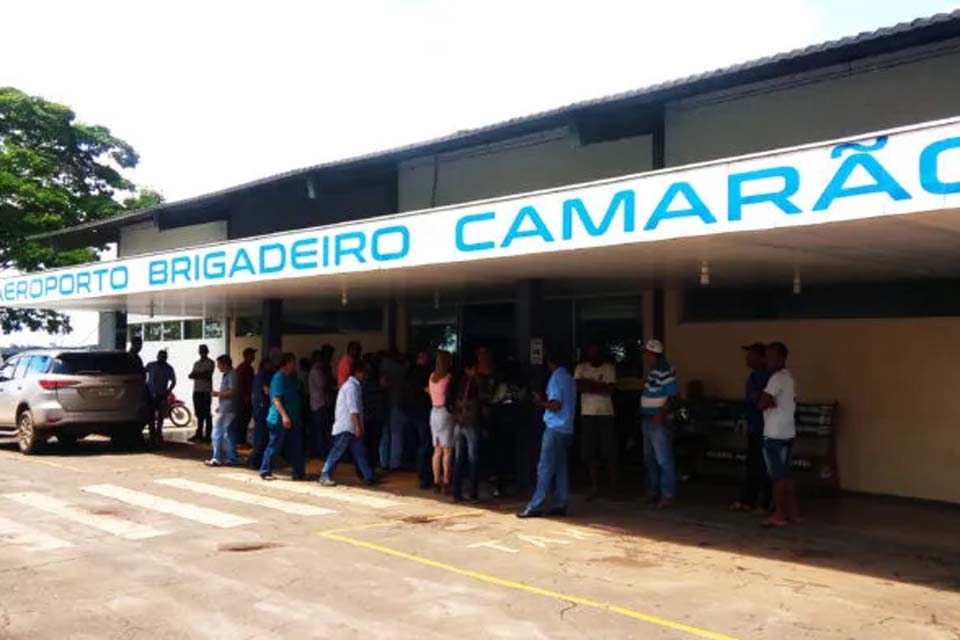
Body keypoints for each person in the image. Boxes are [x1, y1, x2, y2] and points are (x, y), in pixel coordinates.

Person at [517, 349, 576, 518]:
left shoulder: (556, 378)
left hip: (555, 427)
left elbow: (556, 404)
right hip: (567, 428)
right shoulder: (569, 378)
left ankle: (536, 504)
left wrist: (540, 402)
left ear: (551, 362)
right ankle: (560, 503)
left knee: (544, 467)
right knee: (560, 467)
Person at [758, 341, 799, 527]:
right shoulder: (789, 378)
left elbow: (762, 403)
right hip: (788, 432)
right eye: (766, 357)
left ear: (782, 358)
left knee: (778, 477)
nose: (767, 360)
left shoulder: (775, 378)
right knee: (786, 476)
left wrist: (768, 401)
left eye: (771, 357)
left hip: (774, 434)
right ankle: (793, 513)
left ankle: (779, 514)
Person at [319, 359, 378, 486]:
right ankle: (325, 474)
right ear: (357, 372)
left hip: (349, 426)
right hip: (347, 426)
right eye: (364, 372)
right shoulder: (351, 387)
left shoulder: (352, 385)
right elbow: (353, 408)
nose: (365, 375)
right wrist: (357, 426)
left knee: (359, 453)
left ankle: (369, 476)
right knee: (337, 452)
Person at [730, 343, 773, 513]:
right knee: (752, 464)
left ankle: (765, 502)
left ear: (762, 358)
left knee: (764, 466)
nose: (747, 359)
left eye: (752, 355)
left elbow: (762, 402)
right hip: (754, 426)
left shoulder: (768, 377)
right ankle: (748, 500)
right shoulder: (753, 376)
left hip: (766, 428)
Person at [575, 343, 618, 499]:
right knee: (590, 452)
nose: (594, 354)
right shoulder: (581, 368)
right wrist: (600, 386)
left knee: (609, 451)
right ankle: (594, 486)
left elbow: (611, 390)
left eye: (597, 351)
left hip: (606, 414)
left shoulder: (609, 368)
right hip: (587, 414)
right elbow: (579, 387)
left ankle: (613, 487)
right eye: (591, 351)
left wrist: (589, 385)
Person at [640, 339, 679, 508]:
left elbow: (673, 396)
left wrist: (661, 413)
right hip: (648, 419)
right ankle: (654, 491)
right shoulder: (653, 371)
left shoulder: (664, 370)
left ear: (651, 354)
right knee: (650, 459)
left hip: (657, 420)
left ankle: (667, 495)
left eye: (646, 353)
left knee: (663, 459)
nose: (644, 356)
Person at [259, 353, 305, 481]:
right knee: (275, 445)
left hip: (293, 419)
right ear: (287, 363)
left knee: (296, 446)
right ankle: (265, 470)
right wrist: (284, 416)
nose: (294, 365)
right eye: (293, 362)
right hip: (279, 419)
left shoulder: (290, 378)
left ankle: (298, 473)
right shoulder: (279, 378)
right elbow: (276, 399)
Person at [452, 360, 481, 503]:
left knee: (458, 458)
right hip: (469, 423)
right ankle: (472, 493)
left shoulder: (459, 383)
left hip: (458, 422)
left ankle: (456, 492)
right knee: (472, 458)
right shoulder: (473, 383)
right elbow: (475, 403)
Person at [403, 350, 433, 489]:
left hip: (411, 412)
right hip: (422, 413)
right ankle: (424, 476)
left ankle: (420, 472)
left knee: (418, 444)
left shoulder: (409, 373)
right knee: (425, 445)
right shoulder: (426, 374)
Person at [428, 350, 456, 494]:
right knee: (447, 450)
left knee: (437, 450)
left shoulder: (432, 376)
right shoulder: (449, 378)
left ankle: (436, 481)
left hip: (434, 412)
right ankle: (446, 481)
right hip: (445, 412)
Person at [379, 349, 409, 470]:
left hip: (384, 404)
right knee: (396, 434)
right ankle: (394, 463)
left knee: (385, 435)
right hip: (397, 403)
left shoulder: (381, 369)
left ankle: (383, 462)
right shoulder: (402, 370)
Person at [206, 355, 238, 467]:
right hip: (227, 407)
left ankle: (217, 458)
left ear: (225, 364)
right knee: (230, 434)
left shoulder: (232, 375)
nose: (218, 367)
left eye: (219, 364)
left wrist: (217, 394)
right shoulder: (228, 374)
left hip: (227, 409)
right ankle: (232, 458)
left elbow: (233, 391)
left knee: (217, 433)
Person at [248, 358, 275, 470]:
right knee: (262, 438)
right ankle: (255, 461)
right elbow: (267, 391)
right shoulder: (264, 376)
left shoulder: (258, 376)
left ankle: (255, 460)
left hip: (258, 409)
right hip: (262, 410)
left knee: (261, 437)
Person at [307, 346, 335, 459]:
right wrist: (333, 386)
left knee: (322, 430)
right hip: (319, 404)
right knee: (320, 431)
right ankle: (321, 453)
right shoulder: (316, 371)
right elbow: (323, 385)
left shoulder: (322, 369)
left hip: (323, 403)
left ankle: (321, 452)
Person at [144, 350, 176, 447]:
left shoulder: (168, 368)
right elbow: (143, 373)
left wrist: (168, 391)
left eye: (164, 356)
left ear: (166, 358)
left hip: (162, 395)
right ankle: (152, 432)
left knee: (161, 415)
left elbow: (173, 381)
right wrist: (145, 386)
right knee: (150, 415)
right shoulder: (151, 365)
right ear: (157, 356)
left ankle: (159, 432)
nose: (162, 358)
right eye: (160, 356)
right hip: (151, 394)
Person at [188, 344, 215, 443]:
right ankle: (198, 434)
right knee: (199, 414)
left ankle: (208, 436)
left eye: (204, 350)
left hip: (206, 391)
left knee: (207, 414)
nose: (202, 352)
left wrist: (197, 374)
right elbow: (190, 375)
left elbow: (207, 375)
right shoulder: (196, 363)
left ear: (207, 351)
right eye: (201, 350)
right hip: (197, 391)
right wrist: (201, 374)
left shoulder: (210, 362)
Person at [233, 347, 256, 448]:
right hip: (242, 398)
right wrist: (245, 396)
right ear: (246, 356)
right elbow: (240, 383)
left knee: (245, 420)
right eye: (251, 354)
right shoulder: (243, 368)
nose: (253, 357)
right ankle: (240, 442)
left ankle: (241, 441)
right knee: (242, 420)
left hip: (246, 397)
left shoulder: (249, 368)